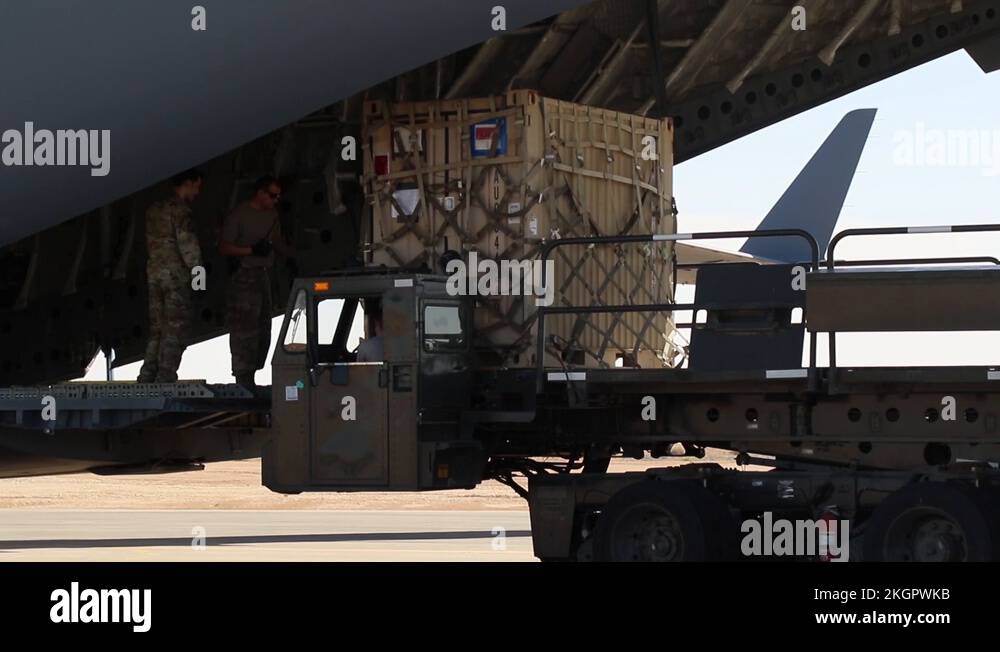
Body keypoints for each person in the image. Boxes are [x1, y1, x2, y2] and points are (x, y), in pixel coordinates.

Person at [219, 175, 294, 389]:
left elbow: (278, 241)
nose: (275, 200)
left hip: (262, 275)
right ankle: (243, 377)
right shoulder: (240, 215)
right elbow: (224, 247)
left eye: (278, 196)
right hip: (244, 275)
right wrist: (250, 250)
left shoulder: (272, 215)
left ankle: (253, 373)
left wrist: (292, 255)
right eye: (272, 195)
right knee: (244, 327)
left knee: (263, 327)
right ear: (260, 193)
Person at [137, 168, 204, 383]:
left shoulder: (154, 209)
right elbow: (189, 248)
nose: (198, 193)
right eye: (197, 186)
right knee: (175, 327)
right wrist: (199, 280)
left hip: (155, 274)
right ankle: (165, 376)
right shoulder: (181, 211)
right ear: (189, 182)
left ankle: (147, 374)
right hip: (176, 277)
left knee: (157, 327)